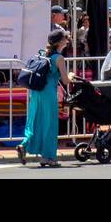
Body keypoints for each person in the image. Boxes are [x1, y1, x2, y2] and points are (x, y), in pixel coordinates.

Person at [17, 28, 74, 168]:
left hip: (36, 92)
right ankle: (48, 158)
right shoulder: (59, 58)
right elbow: (65, 80)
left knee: (35, 121)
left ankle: (24, 144)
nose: (67, 41)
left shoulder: (43, 54)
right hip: (48, 93)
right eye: (65, 38)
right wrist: (71, 76)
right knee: (50, 125)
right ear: (60, 42)